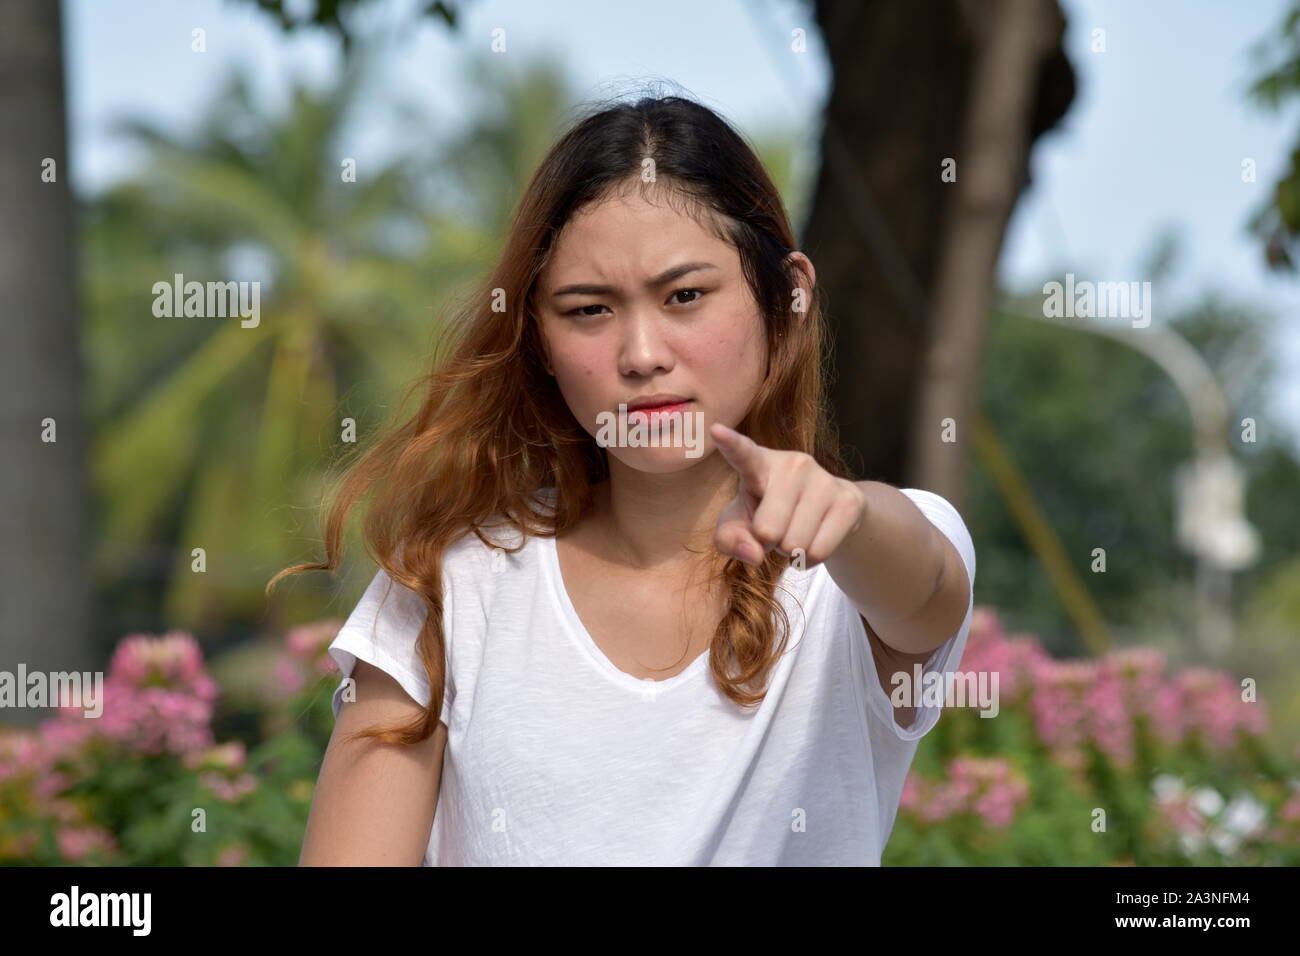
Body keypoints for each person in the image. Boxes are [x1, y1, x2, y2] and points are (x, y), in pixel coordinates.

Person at [285, 93, 976, 866]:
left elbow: (923, 589)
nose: (642, 353)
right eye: (588, 310)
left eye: (685, 296)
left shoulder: (856, 573)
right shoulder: (450, 580)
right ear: (538, 339)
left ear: (788, 296)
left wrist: (848, 517)